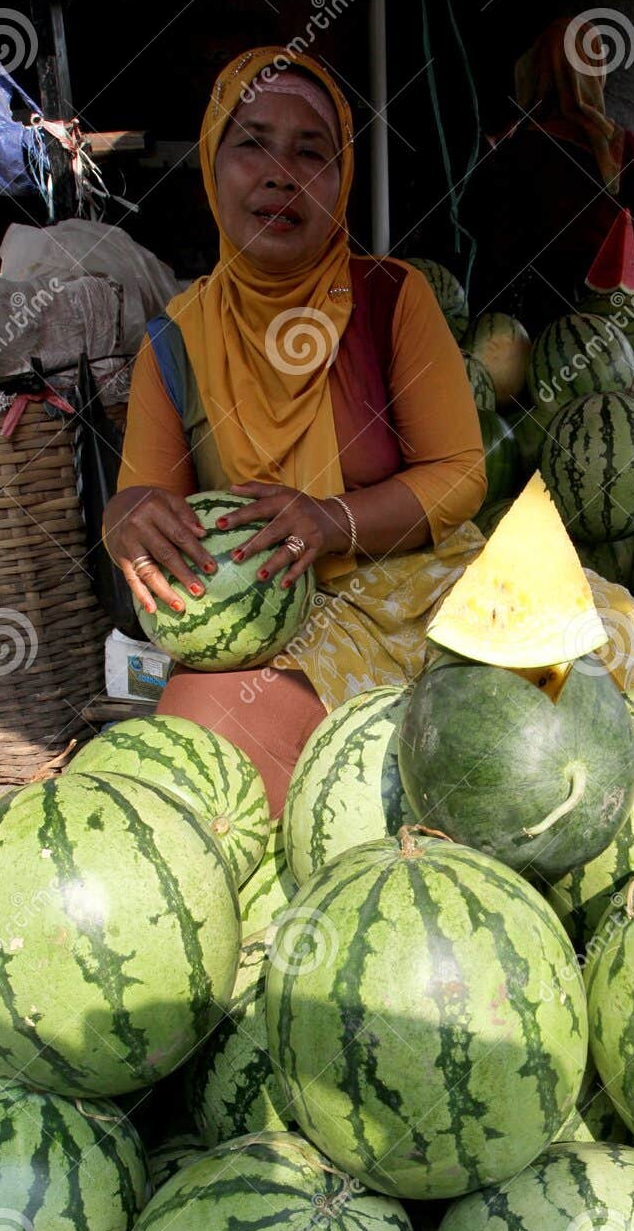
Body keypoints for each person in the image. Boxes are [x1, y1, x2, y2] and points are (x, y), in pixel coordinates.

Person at [103, 47, 487, 811]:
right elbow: (146, 497)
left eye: (312, 152)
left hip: (426, 593)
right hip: (287, 623)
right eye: (252, 143)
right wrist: (124, 519)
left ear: (341, 184)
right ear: (212, 169)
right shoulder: (173, 343)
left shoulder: (392, 300)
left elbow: (459, 472)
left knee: (575, 668)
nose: (282, 173)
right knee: (201, 748)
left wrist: (331, 520)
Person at [467, 17, 634, 330]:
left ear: (537, 71)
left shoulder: (518, 149)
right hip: (610, 320)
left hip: (533, 322)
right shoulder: (621, 144)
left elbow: (497, 250)